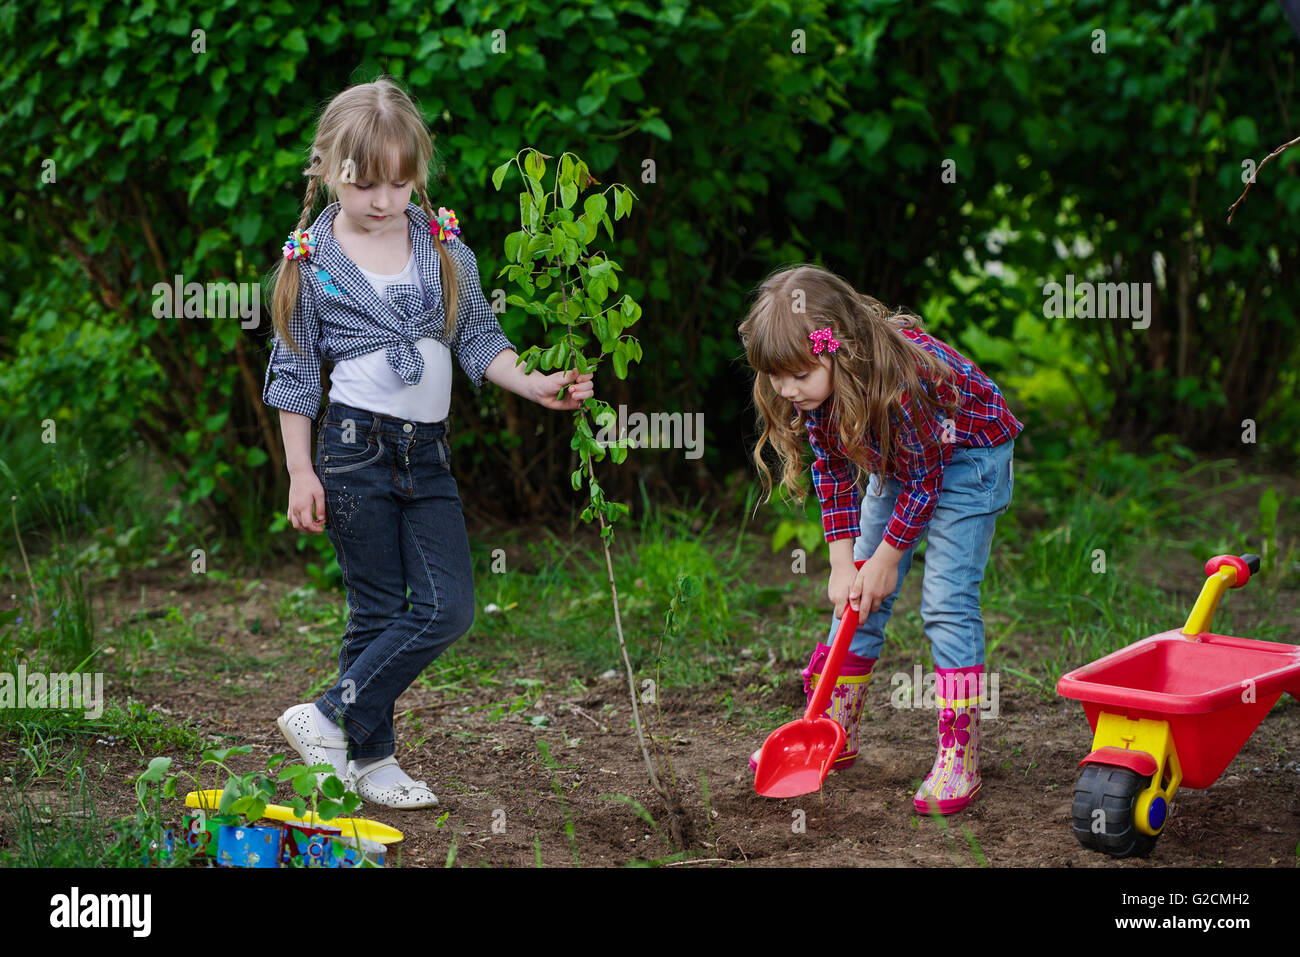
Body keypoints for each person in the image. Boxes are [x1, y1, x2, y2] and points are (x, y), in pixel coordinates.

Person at [262, 77, 593, 809]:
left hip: (428, 453)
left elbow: (476, 335)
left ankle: (327, 715)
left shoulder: (438, 242)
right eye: (364, 185)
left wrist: (535, 383)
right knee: (375, 610)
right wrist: (298, 471)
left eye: (399, 183)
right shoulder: (310, 262)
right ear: (326, 170)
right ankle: (370, 757)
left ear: (417, 176)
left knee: (447, 607)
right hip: (352, 453)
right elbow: (292, 377)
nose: (383, 201)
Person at [738, 264, 1021, 813]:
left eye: (797, 376)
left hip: (968, 458)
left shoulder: (903, 380)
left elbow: (928, 476)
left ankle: (958, 757)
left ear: (834, 351)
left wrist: (887, 558)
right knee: (856, 600)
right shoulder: (816, 395)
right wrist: (845, 564)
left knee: (946, 603)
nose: (786, 391)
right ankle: (831, 731)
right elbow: (834, 471)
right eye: (776, 379)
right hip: (902, 461)